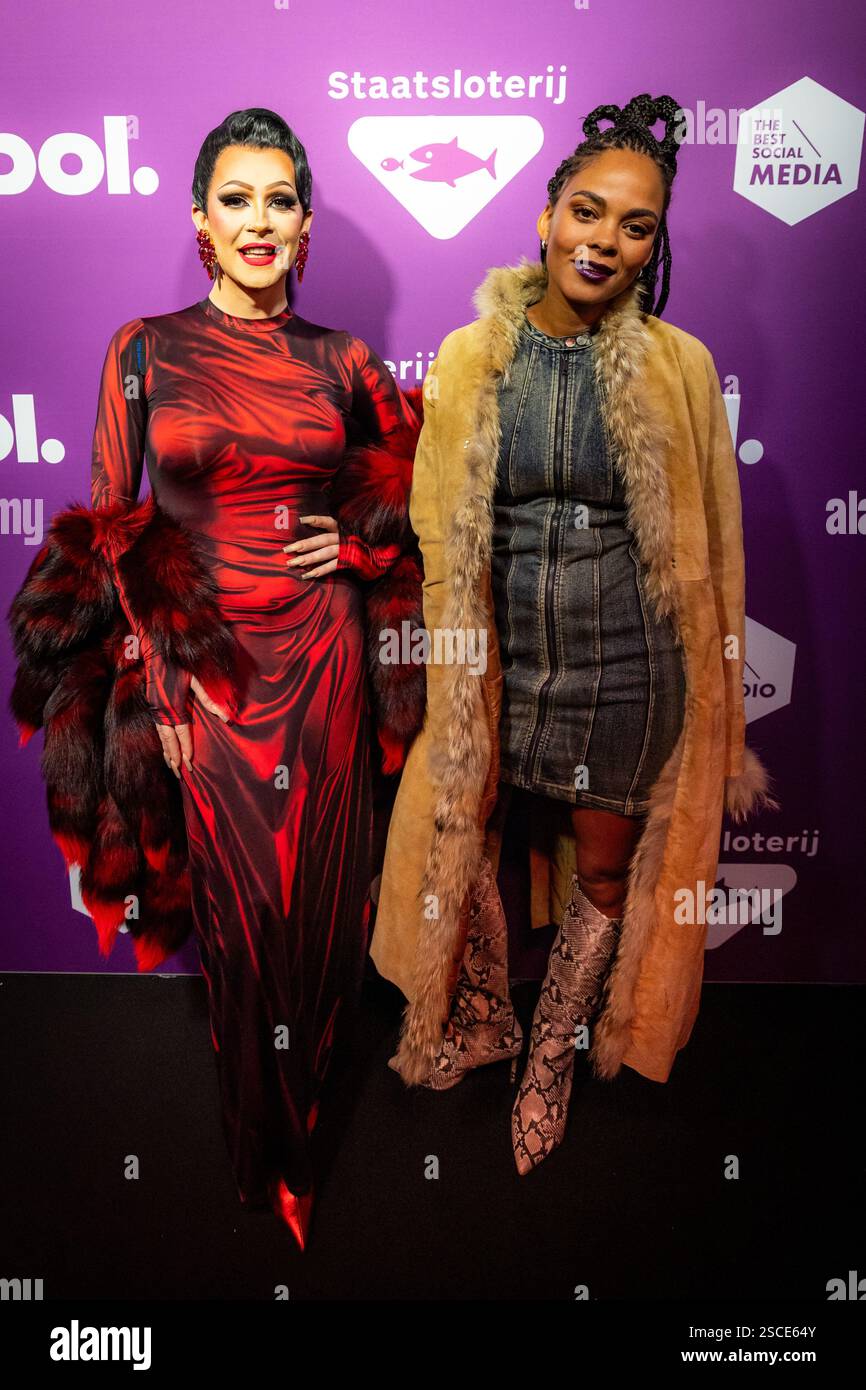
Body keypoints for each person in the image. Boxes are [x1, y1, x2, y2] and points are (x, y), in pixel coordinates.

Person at [7, 108, 423, 1247]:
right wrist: (151, 679)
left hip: (326, 660)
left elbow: (413, 505)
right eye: (234, 198)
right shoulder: (141, 348)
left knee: (324, 920)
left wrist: (355, 546)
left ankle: (304, 1123)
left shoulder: (344, 360)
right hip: (208, 674)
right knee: (242, 924)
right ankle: (266, 1142)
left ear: (302, 224)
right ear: (200, 219)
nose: (257, 220)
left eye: (279, 199)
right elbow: (111, 524)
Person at [371, 93, 779, 1174]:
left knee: (603, 875)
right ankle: (487, 1018)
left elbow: (711, 549)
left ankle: (551, 1046)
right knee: (469, 842)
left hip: (623, 669)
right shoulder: (468, 355)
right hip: (501, 670)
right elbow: (435, 527)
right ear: (547, 213)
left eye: (632, 226)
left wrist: (714, 693)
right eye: (586, 212)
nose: (602, 241)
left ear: (652, 245)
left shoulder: (678, 366)